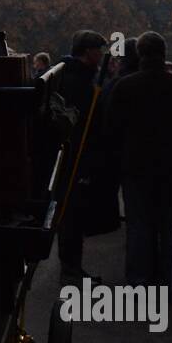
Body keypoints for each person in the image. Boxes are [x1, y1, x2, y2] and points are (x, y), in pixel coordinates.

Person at [101, 32, 172, 286]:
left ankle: (140, 279)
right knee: (171, 226)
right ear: (164, 53)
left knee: (139, 225)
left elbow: (111, 129)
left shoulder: (125, 87)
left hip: (135, 167)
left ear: (139, 54)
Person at [55, 30, 110, 283]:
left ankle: (72, 266)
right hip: (75, 154)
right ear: (88, 51)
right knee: (71, 214)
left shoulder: (73, 74)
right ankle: (71, 268)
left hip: (76, 153)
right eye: (100, 49)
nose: (102, 54)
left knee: (72, 214)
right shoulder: (77, 79)